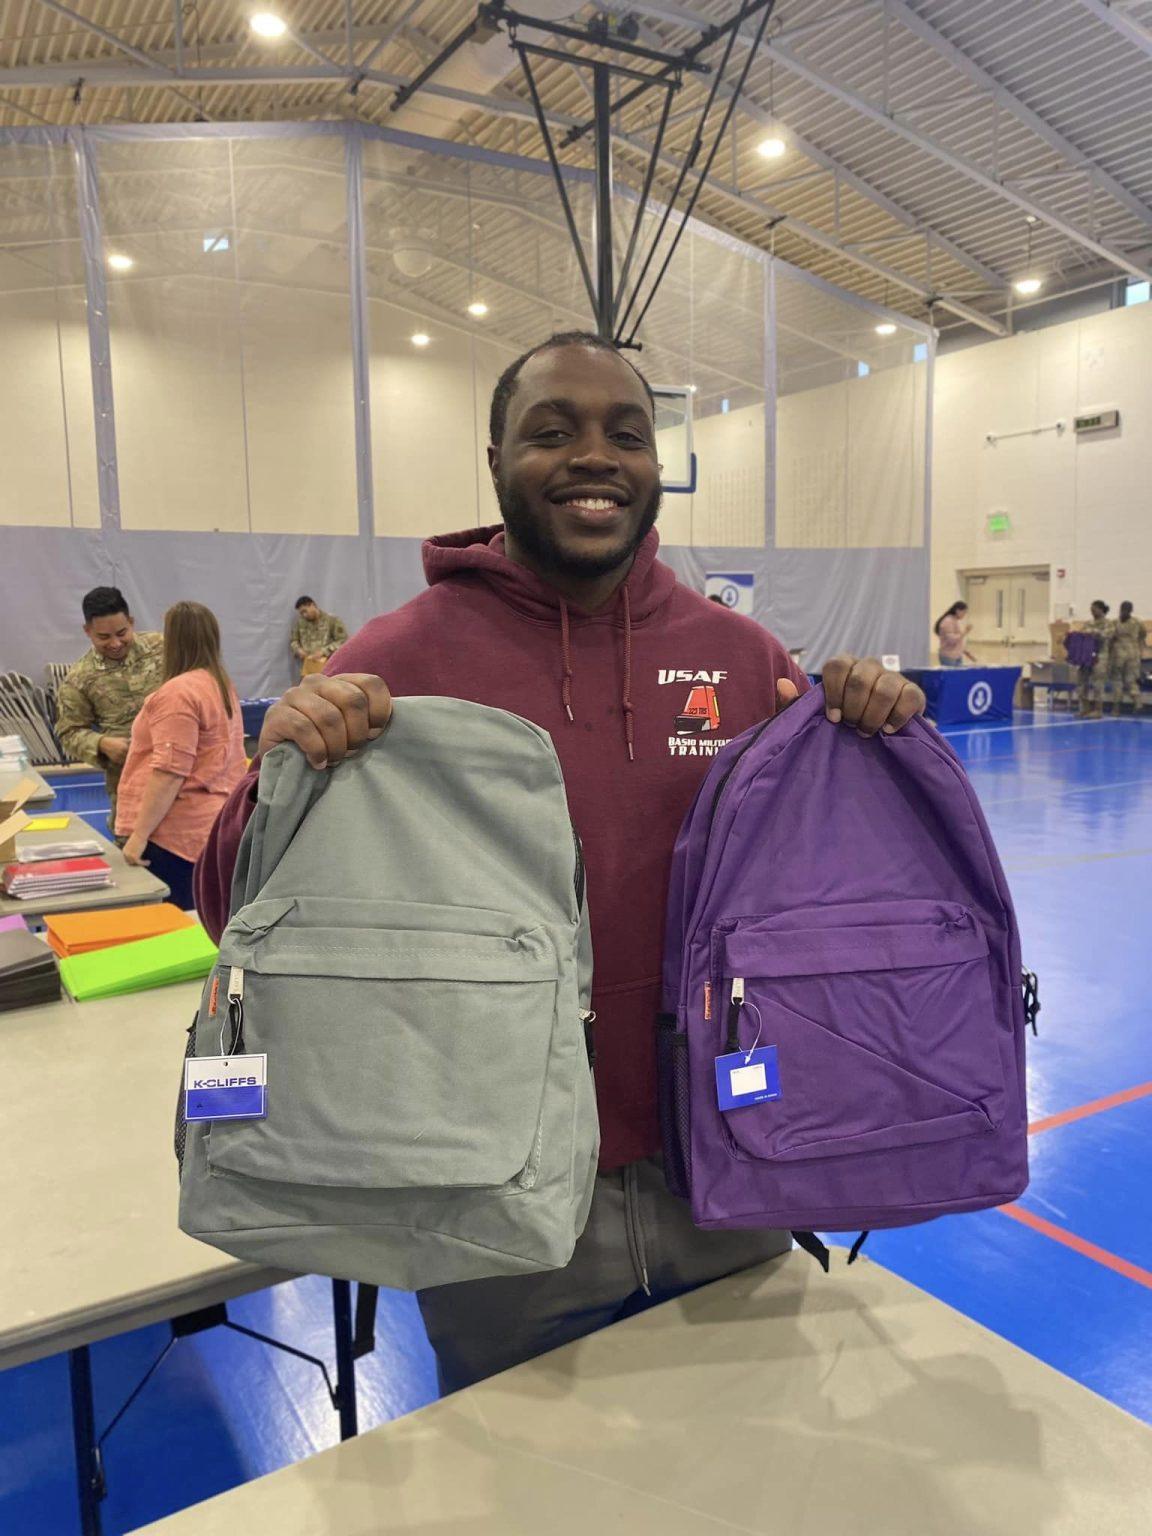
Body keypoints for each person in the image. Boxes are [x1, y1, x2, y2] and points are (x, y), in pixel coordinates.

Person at [195, 332, 926, 1394]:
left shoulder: (742, 656)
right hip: (492, 1194)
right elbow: (236, 909)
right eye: (552, 432)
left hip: (722, 1168)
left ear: (654, 465)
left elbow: (821, 892)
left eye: (625, 434)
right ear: (494, 460)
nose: (594, 456)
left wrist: (870, 733)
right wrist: (278, 772)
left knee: (744, 1470)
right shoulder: (397, 662)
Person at [116, 602, 247, 910]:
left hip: (176, 836)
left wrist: (139, 835)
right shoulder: (220, 684)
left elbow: (169, 772)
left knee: (174, 930)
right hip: (211, 827)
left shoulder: (178, 692)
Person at [55, 587, 164, 826]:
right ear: (87, 631)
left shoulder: (163, 649)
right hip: (128, 784)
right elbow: (69, 731)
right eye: (103, 637)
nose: (115, 643)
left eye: (122, 632)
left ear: (131, 622)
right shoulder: (80, 678)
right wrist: (102, 744)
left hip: (180, 776)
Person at [290, 596, 348, 677]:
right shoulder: (300, 623)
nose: (304, 615)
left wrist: (323, 651)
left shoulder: (332, 620)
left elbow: (343, 641)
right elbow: (294, 641)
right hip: (308, 667)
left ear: (312, 605)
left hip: (329, 666)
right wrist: (298, 650)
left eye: (305, 611)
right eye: (301, 613)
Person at [1078, 600, 1115, 720]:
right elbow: (1081, 634)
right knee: (1081, 682)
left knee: (1098, 684)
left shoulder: (1108, 624)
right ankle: (1085, 709)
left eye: (1094, 609)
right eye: (1091, 609)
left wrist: (1093, 632)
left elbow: (1107, 635)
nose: (1092, 611)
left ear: (1101, 609)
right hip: (1086, 656)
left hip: (1100, 656)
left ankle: (1098, 710)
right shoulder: (1088, 623)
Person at [1109, 601, 1146, 715]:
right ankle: (1137, 702)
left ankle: (1116, 709)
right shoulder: (1137, 622)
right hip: (1133, 653)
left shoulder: (1115, 623)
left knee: (1117, 681)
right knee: (1131, 680)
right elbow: (1143, 635)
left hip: (1118, 653)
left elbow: (1110, 637)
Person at [935, 601, 975, 667]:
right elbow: (951, 640)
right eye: (964, 612)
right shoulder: (947, 621)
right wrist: (965, 631)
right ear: (957, 611)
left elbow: (958, 640)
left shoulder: (955, 621)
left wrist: (965, 651)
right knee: (951, 676)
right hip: (948, 656)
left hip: (956, 656)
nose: (964, 615)